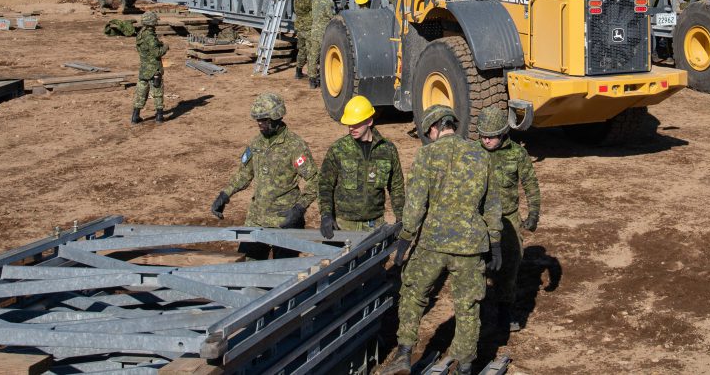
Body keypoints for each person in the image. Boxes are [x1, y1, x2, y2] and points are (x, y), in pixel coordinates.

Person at [382, 105, 502, 375]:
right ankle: (466, 366)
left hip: (432, 243)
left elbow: (414, 205)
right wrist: (495, 243)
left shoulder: (426, 155)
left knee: (413, 294)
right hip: (470, 245)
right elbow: (492, 204)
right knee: (468, 305)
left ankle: (403, 354)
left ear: (434, 128)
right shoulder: (480, 156)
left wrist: (404, 241)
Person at [210, 93, 318, 260]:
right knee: (246, 267)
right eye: (257, 120)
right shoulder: (256, 143)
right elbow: (245, 173)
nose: (259, 124)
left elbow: (314, 179)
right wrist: (225, 194)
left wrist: (299, 209)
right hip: (257, 220)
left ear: (276, 118)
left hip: (285, 222)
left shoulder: (294, 146)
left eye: (264, 120)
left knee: (283, 272)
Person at [478, 106, 541, 333]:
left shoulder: (517, 154)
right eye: (483, 135)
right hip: (479, 221)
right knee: (477, 268)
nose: (487, 140)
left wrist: (533, 212)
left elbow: (530, 185)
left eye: (491, 136)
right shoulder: (472, 153)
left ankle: (505, 312)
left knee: (509, 267)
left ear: (503, 133)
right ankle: (478, 314)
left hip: (508, 219)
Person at [318, 95, 404, 238]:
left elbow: (396, 187)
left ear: (369, 121)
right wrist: (326, 214)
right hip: (344, 225)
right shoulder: (338, 149)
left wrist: (401, 218)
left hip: (374, 225)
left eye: (356, 123)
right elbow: (325, 185)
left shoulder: (387, 150)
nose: (352, 128)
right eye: (349, 124)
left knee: (375, 260)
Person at [131, 11, 167, 124]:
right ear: (152, 22)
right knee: (157, 91)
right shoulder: (150, 36)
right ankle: (159, 116)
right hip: (154, 68)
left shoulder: (141, 33)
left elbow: (144, 49)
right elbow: (157, 53)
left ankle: (135, 116)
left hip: (144, 68)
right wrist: (165, 47)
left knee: (141, 92)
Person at [305, 0, 334, 89]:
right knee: (324, 55)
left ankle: (312, 79)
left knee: (313, 55)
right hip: (323, 33)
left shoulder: (314, 1)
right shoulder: (327, 2)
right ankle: (323, 77)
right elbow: (331, 16)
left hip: (314, 32)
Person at [293, 0, 313, 80]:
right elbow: (312, 9)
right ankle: (311, 73)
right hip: (308, 27)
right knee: (310, 50)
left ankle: (298, 71)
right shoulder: (308, 0)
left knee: (301, 50)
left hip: (299, 27)